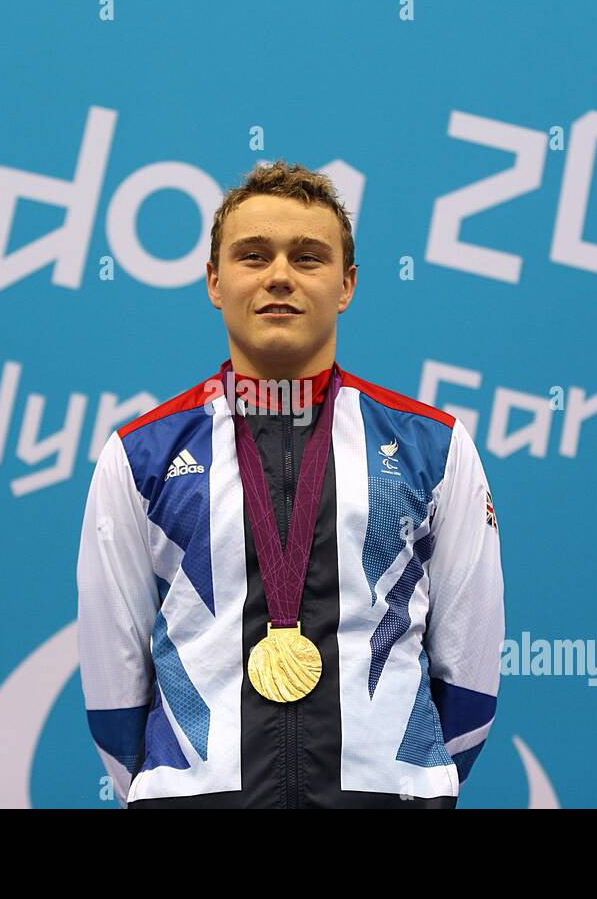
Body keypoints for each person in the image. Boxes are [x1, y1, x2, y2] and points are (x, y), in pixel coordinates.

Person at [76, 159, 504, 808]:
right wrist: (177, 786)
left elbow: (469, 665)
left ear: (346, 284)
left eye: (307, 257)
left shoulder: (434, 447)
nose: (279, 275)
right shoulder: (141, 455)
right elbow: (113, 676)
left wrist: (406, 782)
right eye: (254, 256)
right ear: (215, 281)